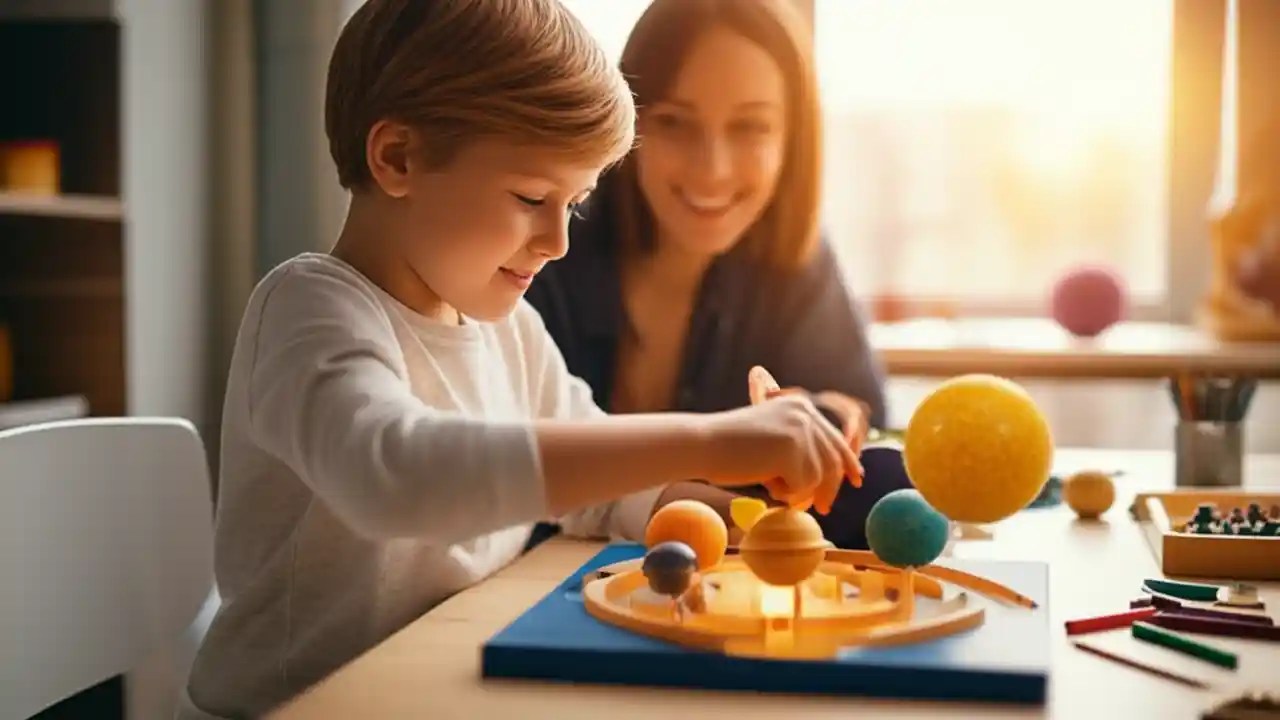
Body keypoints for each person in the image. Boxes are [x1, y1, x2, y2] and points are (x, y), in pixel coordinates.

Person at [179, 1, 860, 717]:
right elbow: (395, 474)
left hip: (437, 686)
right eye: (533, 196)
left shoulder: (507, 330)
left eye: (575, 203)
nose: (558, 241)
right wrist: (708, 438)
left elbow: (603, 491)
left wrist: (746, 516)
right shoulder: (310, 309)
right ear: (397, 158)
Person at [526, 0, 893, 545]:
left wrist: (827, 419)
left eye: (750, 127)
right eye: (674, 122)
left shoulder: (793, 257)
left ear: (793, 138)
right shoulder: (542, 248)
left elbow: (860, 417)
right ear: (627, 123)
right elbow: (504, 476)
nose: (713, 170)